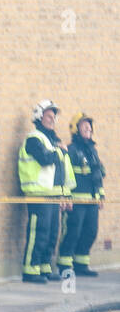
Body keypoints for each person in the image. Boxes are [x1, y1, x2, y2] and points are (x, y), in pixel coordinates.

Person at [16, 100, 74, 283]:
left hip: (53, 196)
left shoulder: (53, 141)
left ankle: (44, 268)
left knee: (51, 233)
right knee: (38, 232)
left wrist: (66, 195)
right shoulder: (34, 138)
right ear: (39, 117)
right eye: (49, 116)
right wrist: (59, 151)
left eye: (54, 117)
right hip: (37, 195)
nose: (52, 120)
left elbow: (61, 172)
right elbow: (44, 159)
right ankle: (30, 270)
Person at [59, 113, 105, 276]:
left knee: (91, 231)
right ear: (75, 129)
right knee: (73, 231)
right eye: (84, 126)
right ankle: (64, 264)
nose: (88, 128)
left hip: (92, 201)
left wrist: (100, 196)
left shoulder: (92, 151)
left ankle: (81, 264)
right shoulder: (71, 150)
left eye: (89, 126)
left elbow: (98, 177)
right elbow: (64, 175)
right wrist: (65, 196)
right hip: (75, 201)